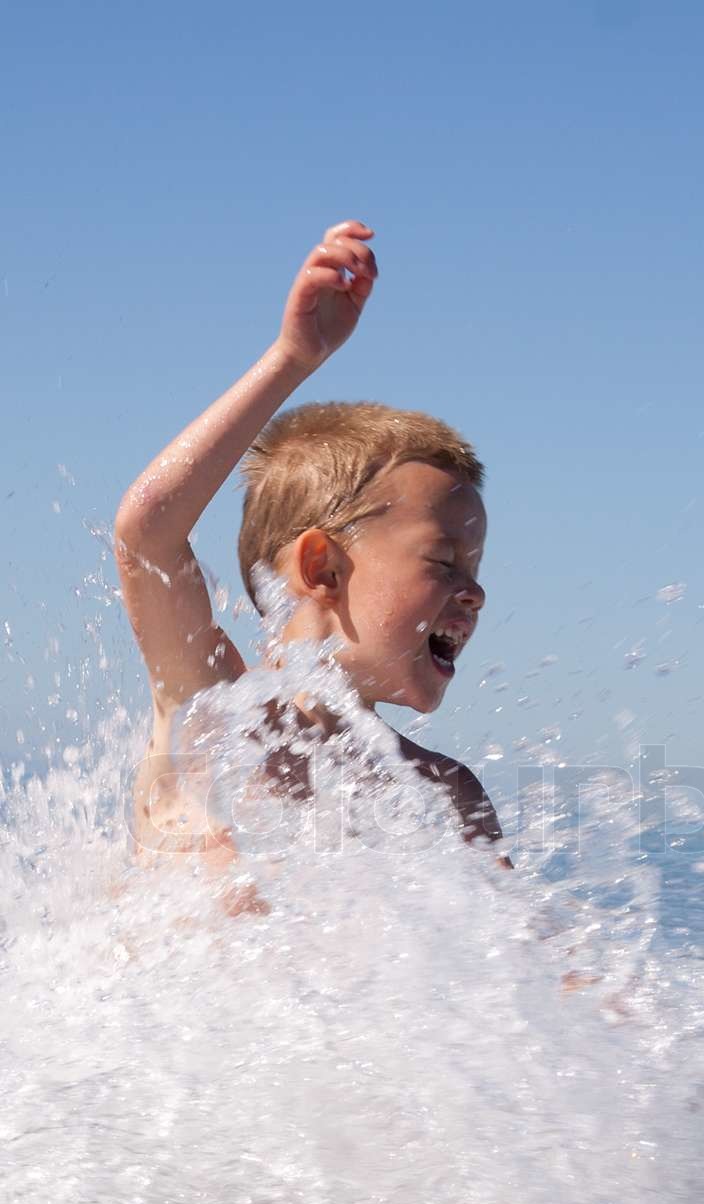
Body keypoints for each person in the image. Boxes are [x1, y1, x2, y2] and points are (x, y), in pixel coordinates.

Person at [114, 220, 504, 888]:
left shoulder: (447, 794)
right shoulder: (210, 714)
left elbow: (525, 967)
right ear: (323, 569)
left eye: (474, 568)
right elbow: (147, 534)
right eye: (445, 563)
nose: (475, 592)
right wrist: (291, 360)